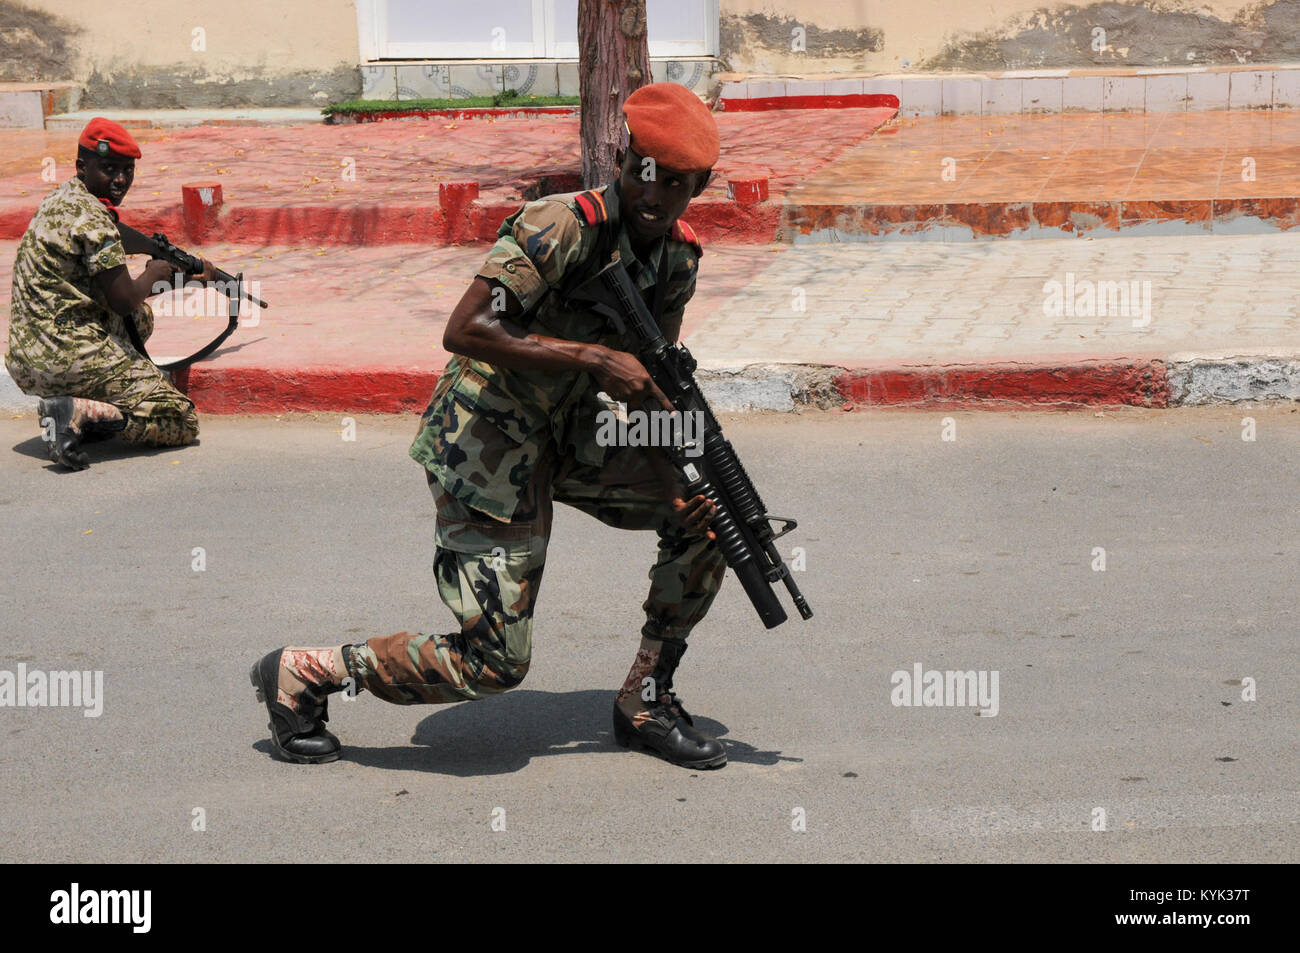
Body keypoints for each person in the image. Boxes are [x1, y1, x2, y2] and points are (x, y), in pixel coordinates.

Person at [252, 82, 732, 769]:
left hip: (571, 431)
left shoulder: (676, 259)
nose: (652, 197)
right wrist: (592, 357)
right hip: (486, 439)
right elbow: (466, 328)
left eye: (675, 186)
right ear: (624, 161)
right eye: (641, 175)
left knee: (709, 518)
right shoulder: (560, 224)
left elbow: (650, 389)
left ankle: (646, 699)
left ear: (700, 186)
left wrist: (675, 479)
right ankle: (307, 669)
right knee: (495, 662)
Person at [5, 117, 214, 471]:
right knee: (180, 419)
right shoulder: (95, 219)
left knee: (140, 320)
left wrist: (183, 276)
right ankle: (85, 413)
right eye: (109, 169)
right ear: (82, 167)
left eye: (127, 170)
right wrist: (154, 272)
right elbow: (122, 299)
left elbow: (114, 297)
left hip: (25, 357)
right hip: (65, 354)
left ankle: (73, 406)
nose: (120, 180)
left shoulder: (60, 200)